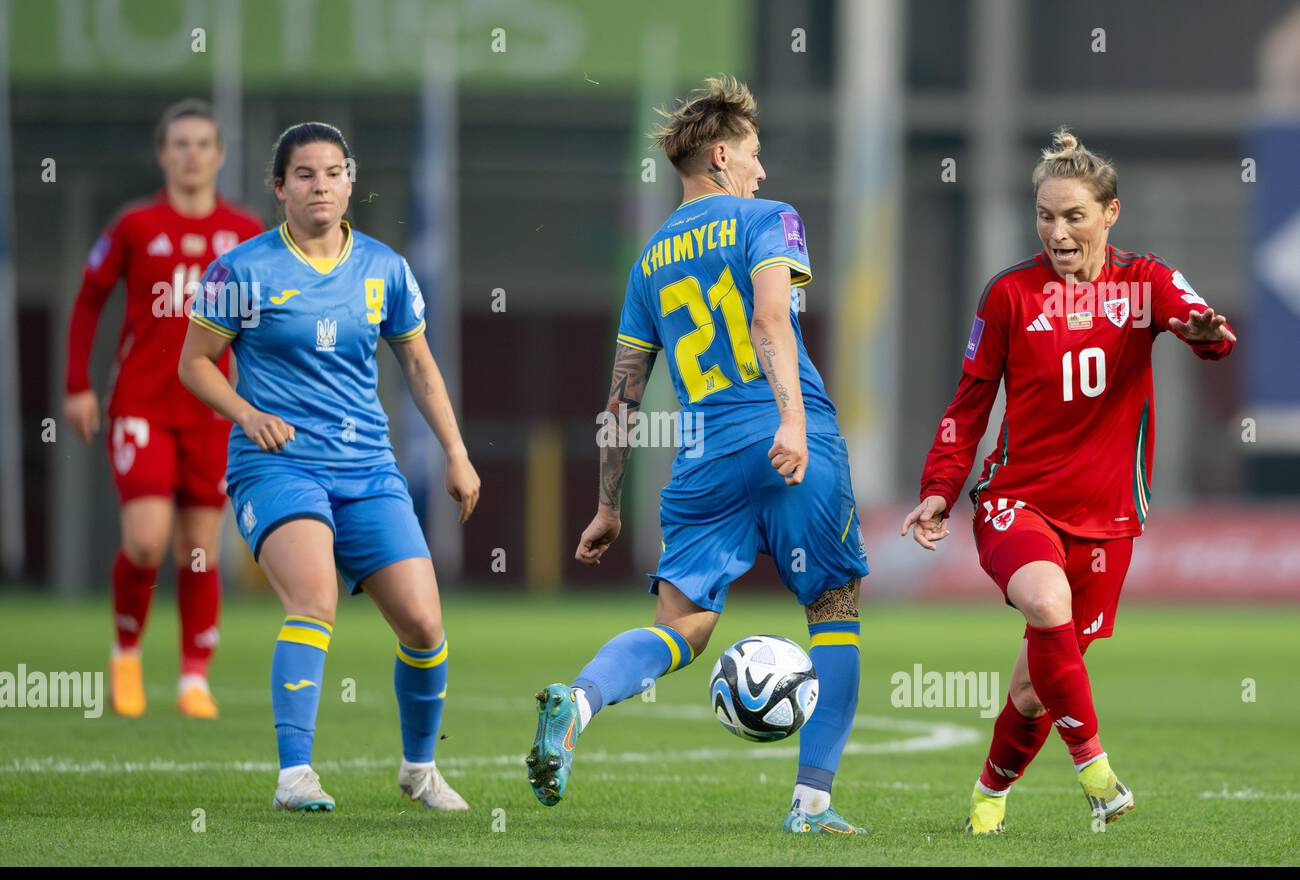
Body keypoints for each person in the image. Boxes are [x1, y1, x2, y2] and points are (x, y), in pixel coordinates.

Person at [527, 77, 871, 835]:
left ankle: (578, 701)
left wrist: (607, 505)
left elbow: (622, 397)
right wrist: (791, 422)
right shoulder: (768, 219)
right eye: (753, 154)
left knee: (683, 626)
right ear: (721, 154)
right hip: (786, 433)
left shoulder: (649, 259)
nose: (762, 170)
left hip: (703, 452)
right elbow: (769, 320)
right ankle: (811, 805)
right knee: (834, 606)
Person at [903, 128, 1236, 833]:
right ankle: (1099, 774)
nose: (1058, 232)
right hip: (1015, 501)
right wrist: (939, 487)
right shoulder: (1009, 295)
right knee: (1047, 604)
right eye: (1046, 216)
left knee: (1031, 688)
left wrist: (1207, 334)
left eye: (1074, 216)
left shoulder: (1144, 283)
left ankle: (988, 799)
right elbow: (968, 404)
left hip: (1108, 514)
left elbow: (1200, 322)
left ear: (1110, 214)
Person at [179, 122, 480, 813]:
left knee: (425, 628)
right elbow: (193, 362)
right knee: (314, 599)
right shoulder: (242, 270)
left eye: (334, 172)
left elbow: (419, 366)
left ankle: (420, 771)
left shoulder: (385, 269)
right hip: (276, 465)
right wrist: (246, 414)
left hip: (368, 468)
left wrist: (457, 454)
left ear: (351, 183)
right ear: (280, 188)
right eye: (305, 174)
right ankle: (295, 776)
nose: (321, 185)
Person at [64, 99, 262, 720]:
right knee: (147, 541)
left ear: (221, 155)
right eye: (180, 144)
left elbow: (265, 323)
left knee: (198, 548)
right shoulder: (135, 225)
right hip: (142, 406)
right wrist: (77, 386)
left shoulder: (247, 232)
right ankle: (126, 654)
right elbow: (89, 301)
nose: (192, 154)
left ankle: (193, 678)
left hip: (212, 411)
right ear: (162, 154)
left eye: (203, 144)